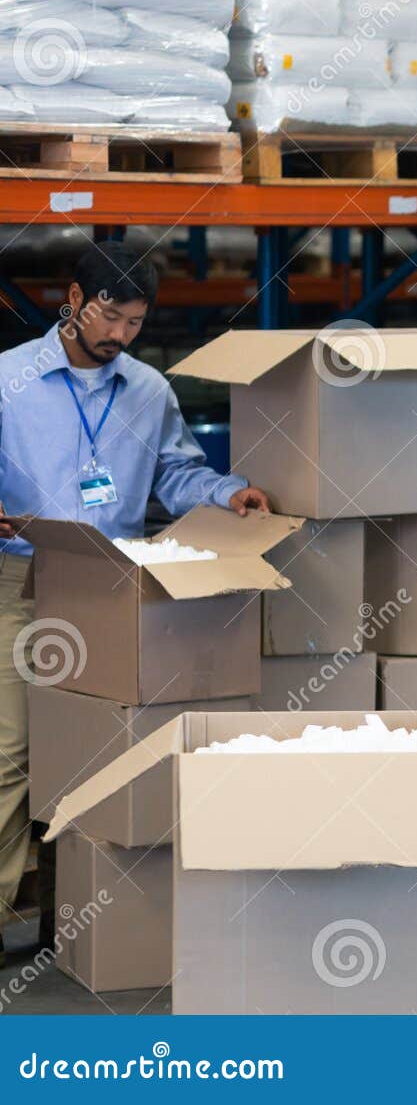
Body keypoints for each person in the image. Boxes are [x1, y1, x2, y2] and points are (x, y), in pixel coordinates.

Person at [0, 242, 270, 946]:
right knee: (10, 754)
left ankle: (73, 924)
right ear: (74, 298)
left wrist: (227, 492)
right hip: (23, 577)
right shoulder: (10, 380)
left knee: (95, 753)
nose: (119, 336)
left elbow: (175, 475)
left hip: (113, 585)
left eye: (134, 323)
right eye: (110, 317)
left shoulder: (148, 390)